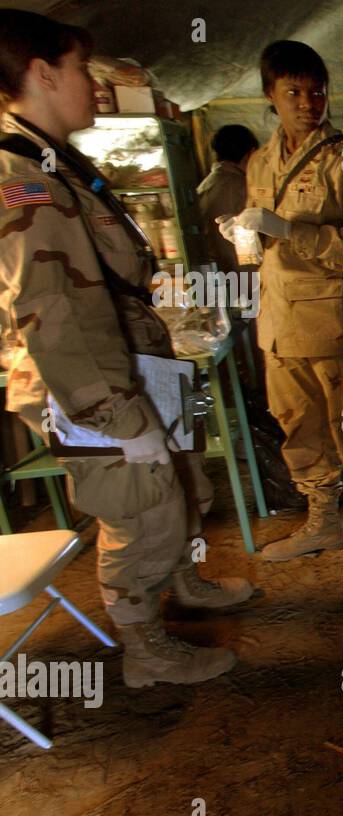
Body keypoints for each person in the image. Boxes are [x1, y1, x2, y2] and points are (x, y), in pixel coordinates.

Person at [0, 9, 246, 686]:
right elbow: (54, 313)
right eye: (82, 68)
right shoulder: (23, 178)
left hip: (135, 360)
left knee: (182, 486)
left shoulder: (56, 161)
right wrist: (114, 413)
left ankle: (184, 582)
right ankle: (143, 651)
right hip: (95, 383)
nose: (95, 84)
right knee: (139, 509)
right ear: (42, 73)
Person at [218, 40, 343, 591]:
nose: (309, 102)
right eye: (294, 91)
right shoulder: (260, 160)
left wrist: (289, 231)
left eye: (317, 90)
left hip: (338, 328)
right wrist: (245, 234)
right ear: (270, 96)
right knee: (300, 428)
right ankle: (323, 522)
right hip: (278, 326)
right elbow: (263, 244)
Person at [198, 124, 259, 275]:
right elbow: (249, 251)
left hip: (216, 274)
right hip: (243, 277)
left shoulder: (205, 185)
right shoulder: (240, 188)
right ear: (251, 154)